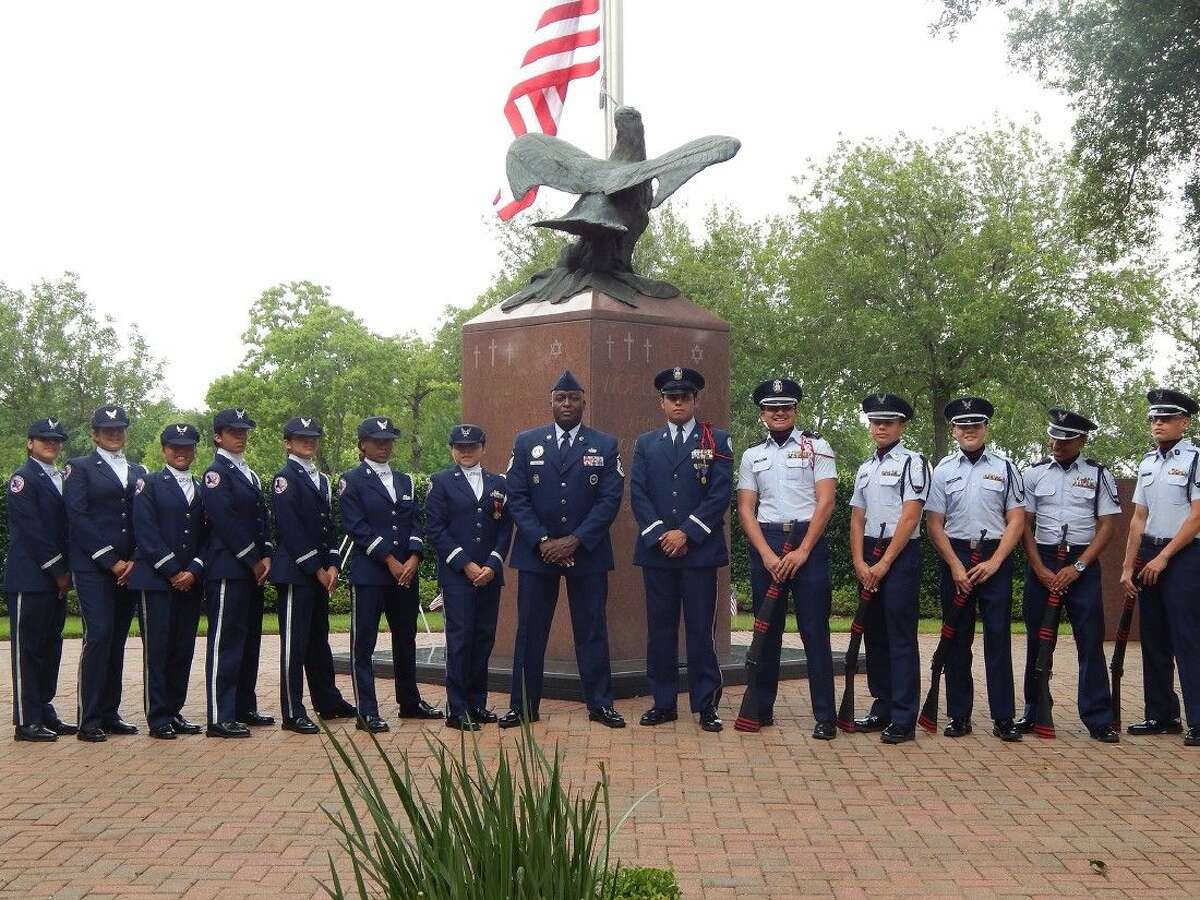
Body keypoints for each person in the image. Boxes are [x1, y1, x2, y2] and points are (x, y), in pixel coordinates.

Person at [499, 370, 625, 729]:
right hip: (536, 553)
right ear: (551, 402)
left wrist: (575, 540)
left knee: (592, 630)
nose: (567, 404)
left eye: (573, 398)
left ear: (584, 402)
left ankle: (600, 705)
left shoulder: (604, 444)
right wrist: (543, 541)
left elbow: (610, 499)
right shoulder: (526, 443)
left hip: (587, 552)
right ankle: (523, 706)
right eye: (560, 398)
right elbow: (517, 496)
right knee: (530, 632)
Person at [630, 366, 731, 733]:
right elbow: (637, 494)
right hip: (658, 552)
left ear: (695, 400)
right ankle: (663, 702)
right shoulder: (645, 443)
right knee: (660, 630)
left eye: (684, 397)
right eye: (671, 397)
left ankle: (706, 705)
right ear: (661, 402)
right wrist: (661, 534)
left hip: (699, 552)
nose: (678, 402)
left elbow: (720, 493)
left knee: (700, 630)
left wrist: (686, 533)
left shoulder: (716, 439)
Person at [736, 378, 838, 739]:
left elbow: (826, 501)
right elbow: (746, 508)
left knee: (814, 632)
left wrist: (804, 550)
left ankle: (825, 715)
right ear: (762, 413)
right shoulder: (752, 455)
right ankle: (760, 709)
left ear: (794, 410)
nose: (779, 413)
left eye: (786, 407)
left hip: (807, 541)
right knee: (767, 631)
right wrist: (765, 552)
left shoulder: (817, 446)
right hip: (767, 543)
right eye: (771, 408)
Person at [925, 397, 1025, 742]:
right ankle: (958, 716)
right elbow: (935, 523)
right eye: (962, 426)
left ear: (985, 428)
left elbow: (1016, 519)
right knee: (956, 640)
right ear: (953, 430)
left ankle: (1003, 717)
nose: (969, 431)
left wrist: (996, 561)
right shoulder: (942, 470)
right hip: (956, 560)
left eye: (975, 425)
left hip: (994, 559)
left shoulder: (1007, 467)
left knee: (998, 640)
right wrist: (954, 565)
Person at [1018, 408, 1121, 742]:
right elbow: (1023, 525)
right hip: (1043, 559)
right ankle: (1034, 710)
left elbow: (1107, 526)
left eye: (1065, 439)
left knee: (1090, 641)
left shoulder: (1098, 474)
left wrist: (1077, 568)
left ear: (1082, 440)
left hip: (1081, 562)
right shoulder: (1032, 474)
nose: (1056, 444)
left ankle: (1098, 718)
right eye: (1053, 437)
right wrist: (1038, 568)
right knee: (1037, 640)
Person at [339, 416, 442, 732]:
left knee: (405, 639)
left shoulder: (405, 481)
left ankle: (409, 702)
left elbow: (416, 522)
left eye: (388, 440)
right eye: (377, 440)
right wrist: (390, 560)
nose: (383, 445)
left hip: (404, 575)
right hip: (371, 573)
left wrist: (413, 557)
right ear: (363, 445)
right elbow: (356, 526)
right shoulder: (351, 480)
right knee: (364, 644)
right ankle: (367, 711)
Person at [1120, 388, 1200, 746]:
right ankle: (1161, 714)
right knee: (1153, 639)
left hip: (1183, 556)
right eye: (1154, 418)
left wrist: (1165, 556)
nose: (1158, 423)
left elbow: (1197, 516)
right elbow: (1139, 518)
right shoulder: (1147, 463)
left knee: (1188, 639)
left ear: (1184, 422)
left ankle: (1198, 719)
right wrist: (1126, 567)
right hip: (1149, 554)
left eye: (1166, 418)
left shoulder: (1196, 459)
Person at [848, 393, 929, 745]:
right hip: (869, 554)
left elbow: (910, 517)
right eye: (875, 422)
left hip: (898, 556)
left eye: (888, 422)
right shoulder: (866, 468)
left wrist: (884, 563)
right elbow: (856, 517)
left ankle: (903, 715)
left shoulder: (914, 463)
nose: (880, 428)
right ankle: (882, 703)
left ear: (902, 426)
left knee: (899, 636)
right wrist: (859, 561)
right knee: (874, 634)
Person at [65, 404, 148, 742]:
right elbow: (77, 517)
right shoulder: (79, 468)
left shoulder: (138, 470)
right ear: (94, 434)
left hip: (129, 568)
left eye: (120, 428)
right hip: (94, 567)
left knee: (116, 639)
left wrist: (136, 559)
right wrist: (111, 560)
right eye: (107, 429)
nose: (115, 434)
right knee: (98, 635)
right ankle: (89, 717)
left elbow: (145, 518)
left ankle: (110, 712)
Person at [270, 417, 358, 735]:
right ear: (288, 442)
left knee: (318, 642)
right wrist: (316, 568)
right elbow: (289, 529)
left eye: (313, 437)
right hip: (296, 573)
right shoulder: (285, 478)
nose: (308, 442)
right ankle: (292, 711)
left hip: (321, 572)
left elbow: (329, 527)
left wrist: (334, 563)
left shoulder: (321, 479)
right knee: (294, 645)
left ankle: (328, 700)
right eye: (300, 438)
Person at [425, 424, 514, 731]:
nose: (466, 451)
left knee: (484, 638)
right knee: (460, 640)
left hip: (490, 575)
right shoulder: (440, 482)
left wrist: (492, 563)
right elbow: (436, 529)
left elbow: (505, 529)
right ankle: (457, 708)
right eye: (460, 446)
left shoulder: (499, 484)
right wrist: (465, 564)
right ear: (452, 449)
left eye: (472, 446)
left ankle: (477, 703)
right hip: (457, 576)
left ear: (483, 448)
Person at [128, 424, 208, 739]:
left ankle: (174, 710)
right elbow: (145, 532)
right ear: (164, 450)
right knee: (158, 650)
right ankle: (157, 715)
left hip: (191, 581)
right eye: (175, 447)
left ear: (194, 450)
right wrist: (174, 570)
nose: (181, 452)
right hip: (156, 580)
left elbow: (208, 534)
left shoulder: (201, 487)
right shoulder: (147, 484)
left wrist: (195, 570)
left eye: (187, 447)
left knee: (182, 648)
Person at [201, 408, 274, 738]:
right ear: (218, 436)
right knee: (225, 641)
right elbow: (224, 520)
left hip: (253, 569)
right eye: (233, 431)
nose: (240, 435)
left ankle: (244, 705)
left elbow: (262, 520)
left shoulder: (249, 473)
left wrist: (267, 555)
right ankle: (220, 714)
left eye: (244, 430)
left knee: (249, 641)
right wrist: (253, 558)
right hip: (229, 567)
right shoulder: (216, 473)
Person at [6, 417, 75, 741]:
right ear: (30, 443)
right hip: (31, 578)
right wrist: (59, 570)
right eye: (44, 439)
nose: (51, 444)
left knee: (50, 647)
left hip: (54, 580)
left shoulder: (61, 477)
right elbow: (32, 532)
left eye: (56, 440)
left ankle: (44, 708)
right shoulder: (23, 478)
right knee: (28, 650)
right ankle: (26, 720)